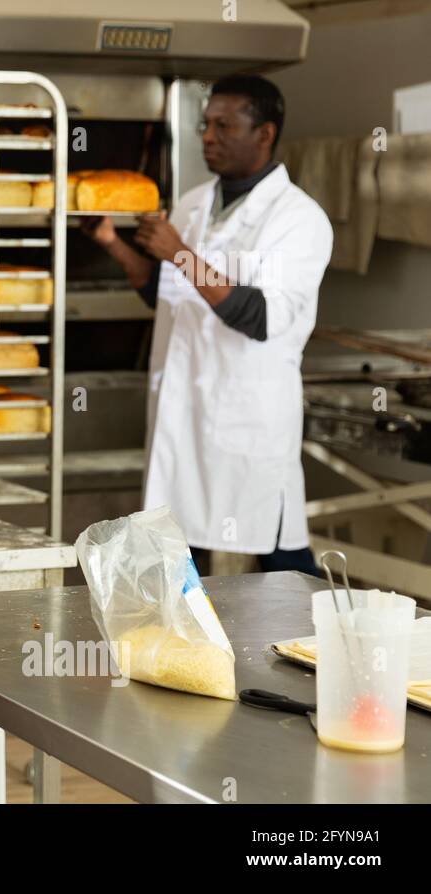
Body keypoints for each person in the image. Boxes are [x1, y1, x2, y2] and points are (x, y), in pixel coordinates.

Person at [83, 75, 332, 575]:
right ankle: (186, 648)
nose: (208, 137)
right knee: (178, 549)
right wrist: (112, 240)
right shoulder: (194, 202)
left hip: (246, 416)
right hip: (184, 413)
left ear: (264, 133)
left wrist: (178, 250)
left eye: (224, 125)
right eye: (205, 124)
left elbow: (260, 317)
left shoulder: (299, 219)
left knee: (279, 556)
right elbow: (164, 294)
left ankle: (313, 643)